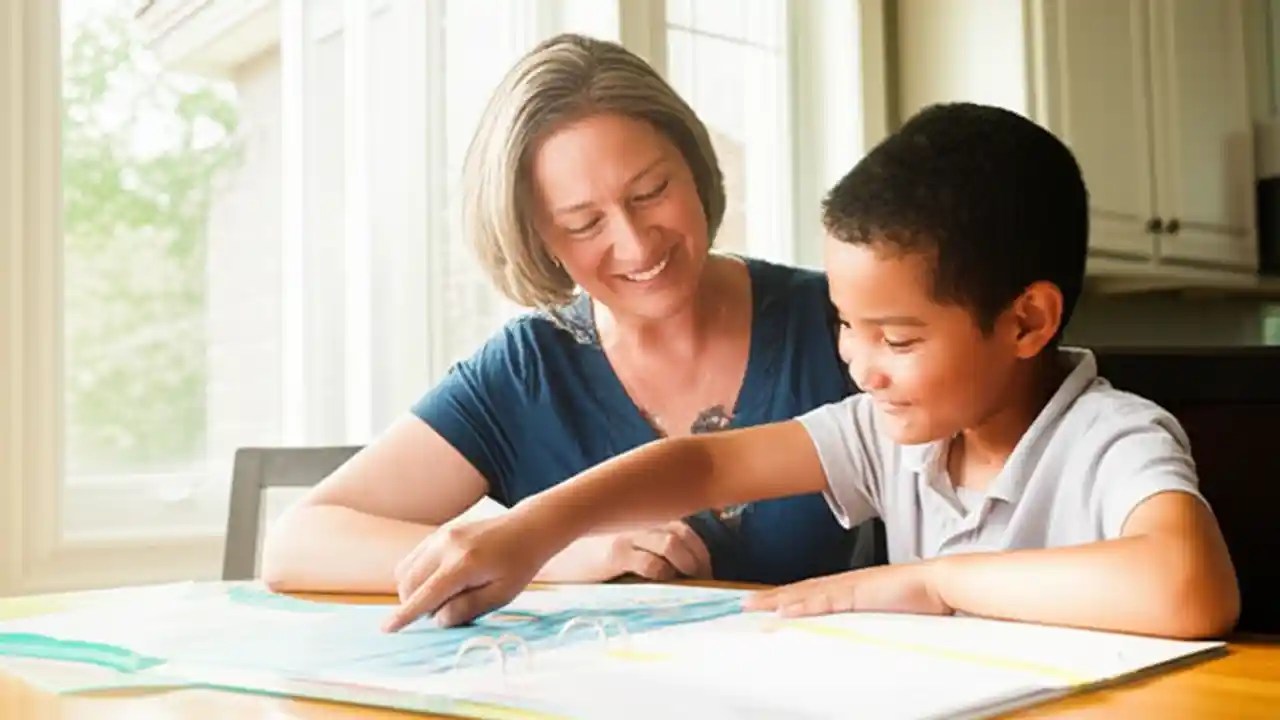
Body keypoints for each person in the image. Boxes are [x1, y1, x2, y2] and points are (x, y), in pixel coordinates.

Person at [381, 102, 1241, 640]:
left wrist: (930, 582)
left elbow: (1187, 588)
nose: (862, 367)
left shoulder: (1111, 435)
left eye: (896, 340)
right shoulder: (890, 434)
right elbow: (706, 462)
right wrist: (538, 528)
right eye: (847, 328)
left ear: (1026, 321)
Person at [260, 33, 879, 594]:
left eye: (651, 192)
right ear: (539, 242)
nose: (638, 245)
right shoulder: (529, 371)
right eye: (584, 224)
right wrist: (548, 553)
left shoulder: (838, 319)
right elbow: (298, 545)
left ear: (695, 170)